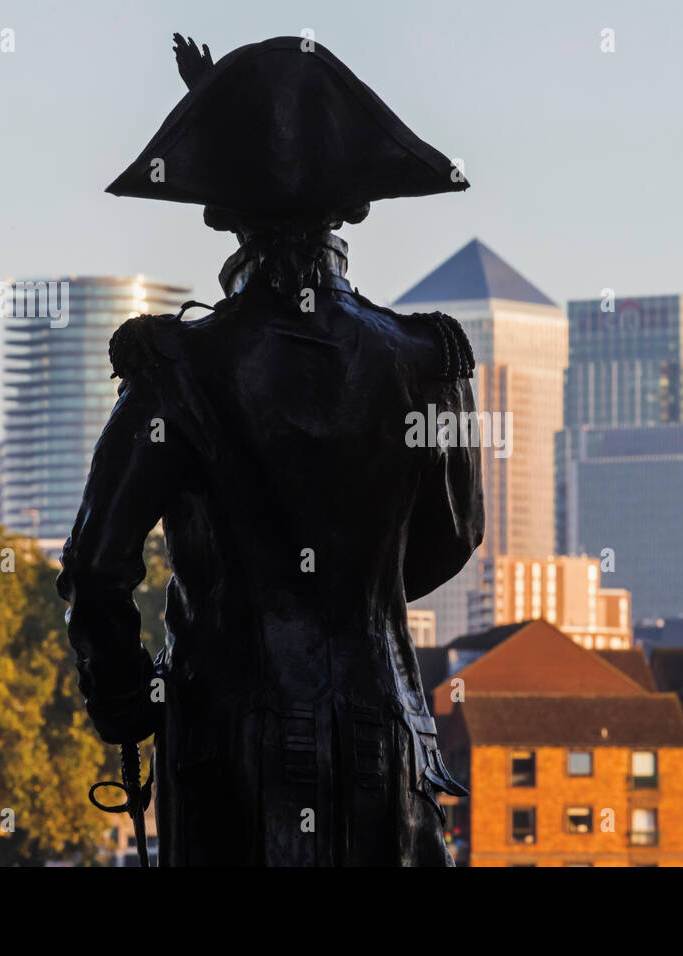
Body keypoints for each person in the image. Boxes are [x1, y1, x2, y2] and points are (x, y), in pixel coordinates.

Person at [55, 35, 482, 865]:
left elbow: (98, 566)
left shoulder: (174, 367)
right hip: (387, 745)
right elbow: (453, 536)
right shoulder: (431, 361)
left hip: (224, 750)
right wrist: (353, 600)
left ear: (218, 211)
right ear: (355, 207)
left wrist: (128, 703)